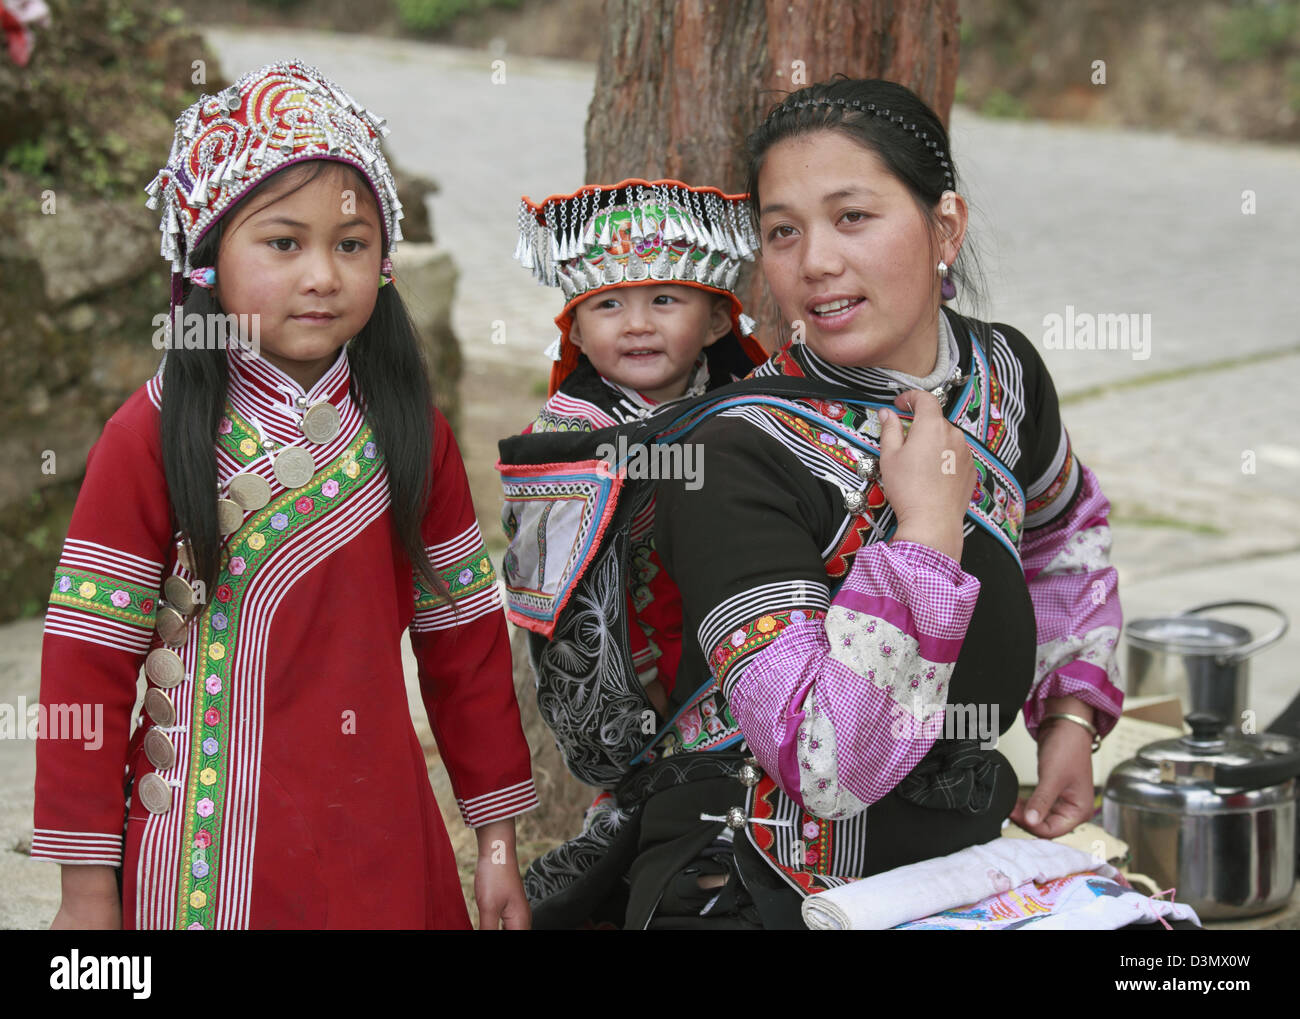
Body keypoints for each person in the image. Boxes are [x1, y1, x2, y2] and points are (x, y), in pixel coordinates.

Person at [520, 77, 1138, 930]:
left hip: (957, 856)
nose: (814, 262)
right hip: (758, 883)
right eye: (783, 230)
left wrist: (1069, 713)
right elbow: (830, 767)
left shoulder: (1005, 374)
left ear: (944, 227)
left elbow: (1065, 532)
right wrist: (926, 531)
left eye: (852, 217)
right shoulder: (733, 450)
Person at [32, 59, 537, 930]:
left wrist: (497, 845)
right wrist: (85, 888)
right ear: (206, 263)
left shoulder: (413, 432)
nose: (322, 275)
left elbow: (464, 645)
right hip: (198, 857)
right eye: (282, 242)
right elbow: (87, 658)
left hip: (381, 838)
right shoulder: (148, 436)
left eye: (351, 244)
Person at [511, 180, 766, 714]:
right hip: (642, 673)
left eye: (665, 300)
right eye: (607, 304)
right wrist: (638, 679)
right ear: (574, 331)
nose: (638, 325)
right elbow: (568, 587)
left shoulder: (752, 403)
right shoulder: (568, 439)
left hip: (756, 635)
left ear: (718, 320)